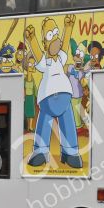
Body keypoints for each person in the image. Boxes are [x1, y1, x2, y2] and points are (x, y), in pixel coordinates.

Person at [24, 14, 81, 169]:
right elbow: (37, 56)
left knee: (67, 123)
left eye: (56, 34)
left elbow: (64, 47)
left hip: (64, 96)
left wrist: (68, 27)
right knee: (43, 123)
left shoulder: (61, 58)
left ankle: (70, 152)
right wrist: (32, 39)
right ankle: (41, 152)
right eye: (51, 35)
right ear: (45, 42)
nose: (56, 39)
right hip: (47, 99)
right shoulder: (45, 63)